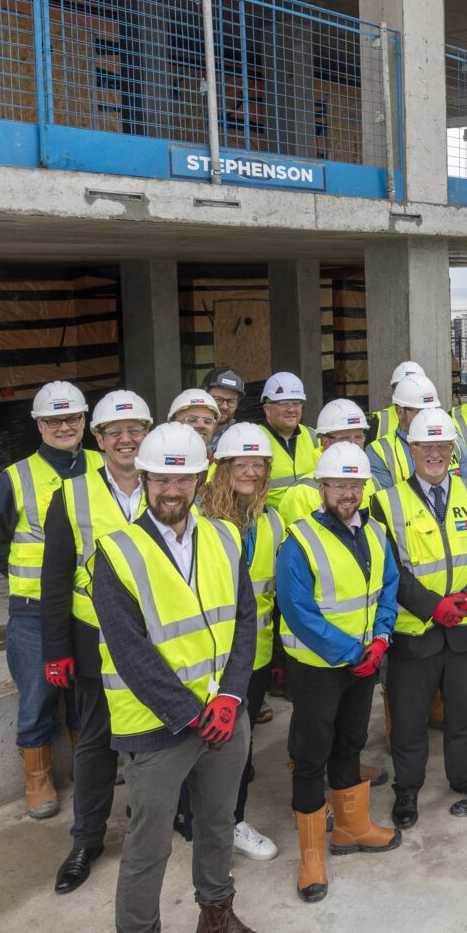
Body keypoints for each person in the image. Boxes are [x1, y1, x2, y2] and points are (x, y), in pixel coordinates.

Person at [91, 422, 270, 933]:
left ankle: (215, 916)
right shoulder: (116, 553)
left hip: (224, 718)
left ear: (200, 479)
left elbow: (244, 621)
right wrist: (193, 713)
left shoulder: (224, 538)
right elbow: (128, 648)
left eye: (183, 476)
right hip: (158, 727)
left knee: (220, 824)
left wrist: (233, 697)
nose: (173, 487)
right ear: (143, 479)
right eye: (161, 476)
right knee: (148, 845)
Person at [277, 441, 402, 902]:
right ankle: (311, 859)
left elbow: (388, 586)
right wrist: (353, 650)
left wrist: (382, 638)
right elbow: (297, 610)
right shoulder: (300, 540)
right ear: (321, 487)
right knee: (311, 755)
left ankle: (351, 829)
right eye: (338, 485)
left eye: (355, 484)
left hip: (363, 660)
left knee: (351, 742)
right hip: (318, 668)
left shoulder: (374, 532)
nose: (347, 493)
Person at [376, 408, 467, 828]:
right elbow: (389, 569)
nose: (435, 453)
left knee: (463, 713)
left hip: (466, 630)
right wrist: (433, 606)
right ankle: (408, 790)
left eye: (442, 445)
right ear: (411, 450)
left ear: (452, 450)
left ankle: (465, 778)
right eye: (426, 446)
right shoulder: (386, 502)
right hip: (416, 633)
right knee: (409, 721)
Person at [0, 380, 98, 818]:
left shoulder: (104, 466)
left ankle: (92, 764)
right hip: (33, 609)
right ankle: (38, 779)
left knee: (89, 690)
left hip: (90, 605)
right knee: (38, 694)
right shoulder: (15, 478)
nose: (64, 426)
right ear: (38, 425)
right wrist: (23, 575)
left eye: (73, 418)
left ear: (85, 421)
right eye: (53, 420)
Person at [41, 390, 150, 892]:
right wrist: (56, 648)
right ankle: (86, 840)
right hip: (95, 640)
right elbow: (55, 577)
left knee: (161, 739)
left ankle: (160, 825)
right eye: (115, 432)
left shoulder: (171, 484)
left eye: (135, 430)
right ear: (98, 439)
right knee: (96, 745)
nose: (126, 440)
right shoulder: (72, 494)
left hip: (159, 637)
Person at [196, 423, 283, 861]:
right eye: (240, 463)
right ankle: (199, 819)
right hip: (205, 655)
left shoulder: (271, 521)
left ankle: (232, 822)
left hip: (256, 653)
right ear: (222, 467)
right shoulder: (201, 520)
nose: (250, 472)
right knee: (199, 744)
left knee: (240, 748)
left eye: (258, 464)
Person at [368, 372, 467, 487]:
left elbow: (465, 490)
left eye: (432, 409)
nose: (427, 417)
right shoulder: (380, 453)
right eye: (420, 411)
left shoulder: (455, 441)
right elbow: (385, 502)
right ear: (400, 412)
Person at [259, 371, 320, 517]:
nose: (291, 409)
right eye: (284, 403)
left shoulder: (313, 437)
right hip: (272, 526)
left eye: (296, 403)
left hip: (312, 524)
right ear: (267, 409)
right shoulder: (256, 439)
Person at [372, 360, 427, 440]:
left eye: (413, 387)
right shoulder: (378, 422)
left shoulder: (438, 418)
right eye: (402, 387)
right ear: (393, 390)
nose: (408, 391)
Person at [202, 367, 246, 450]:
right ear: (204, 396)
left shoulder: (241, 436)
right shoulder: (187, 431)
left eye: (231, 401)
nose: (224, 407)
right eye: (218, 399)